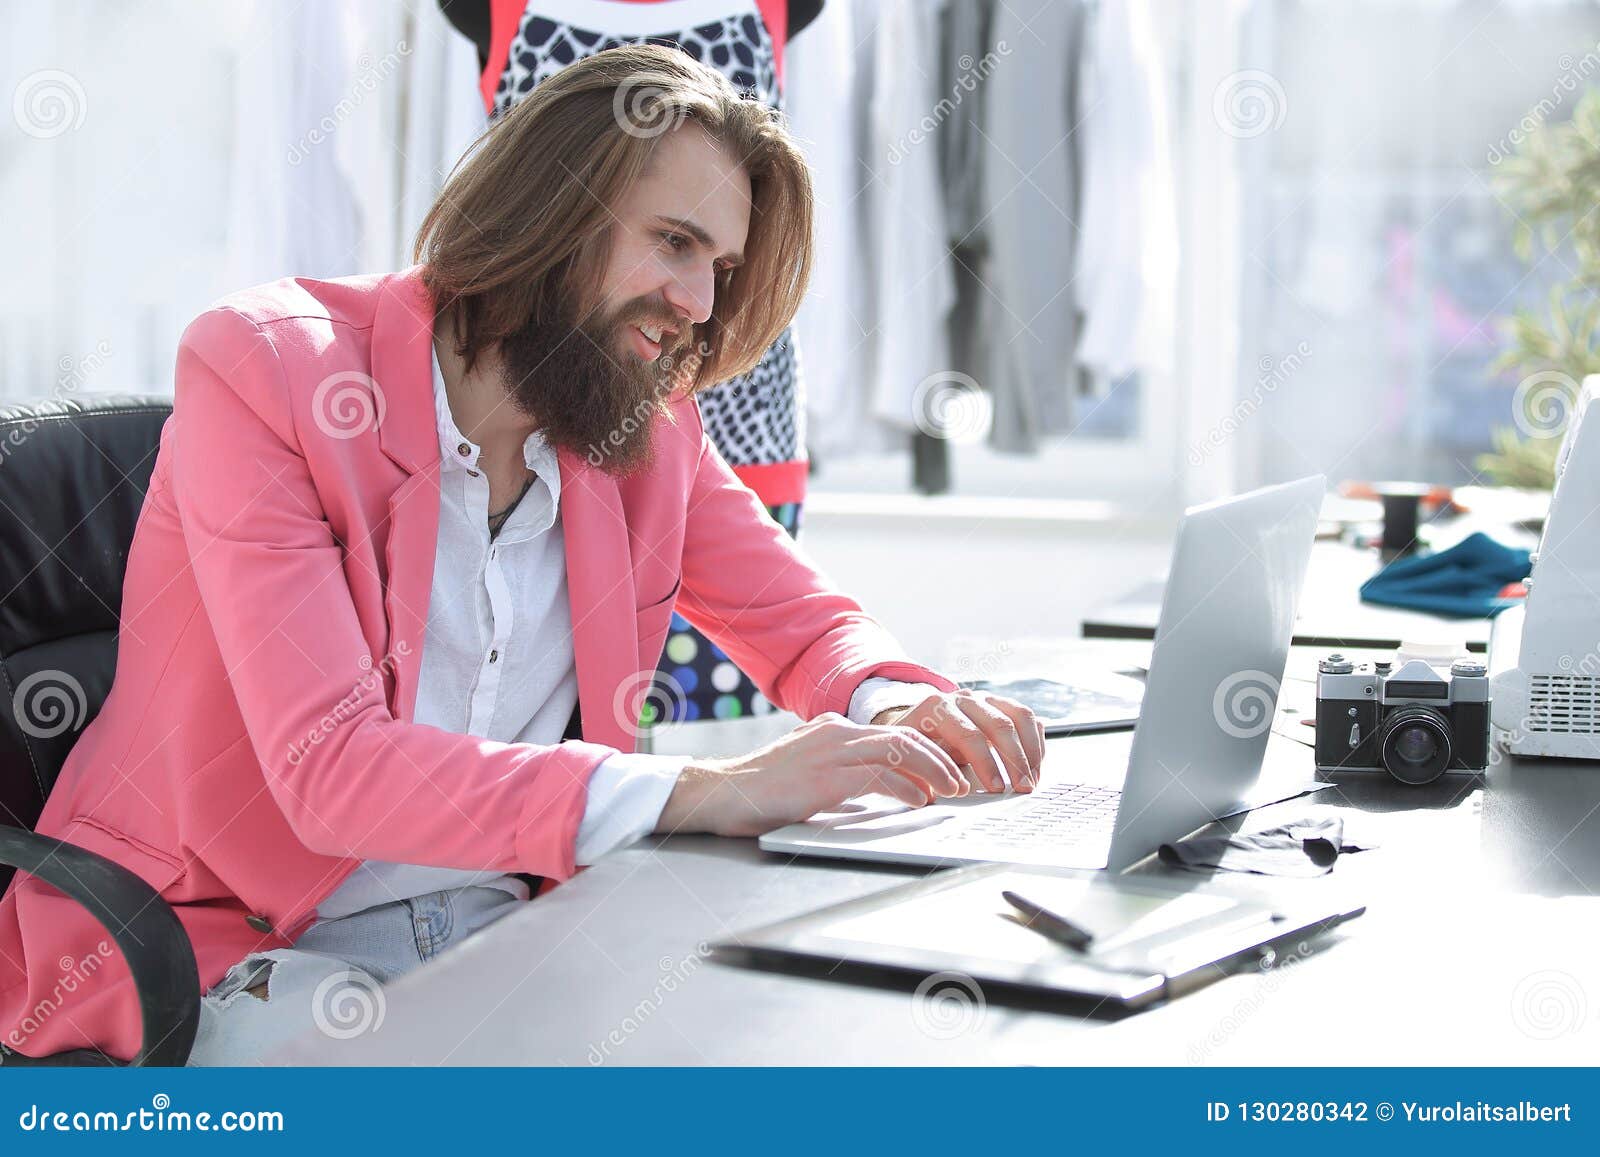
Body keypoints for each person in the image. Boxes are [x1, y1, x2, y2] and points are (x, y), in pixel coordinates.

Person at [0, 45, 1041, 1066]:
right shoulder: (271, 369)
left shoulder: (641, 428)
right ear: (551, 208)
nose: (699, 303)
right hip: (224, 941)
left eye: (718, 269)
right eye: (674, 242)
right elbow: (332, 768)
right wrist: (704, 788)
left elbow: (807, 623)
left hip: (510, 925)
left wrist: (899, 704)